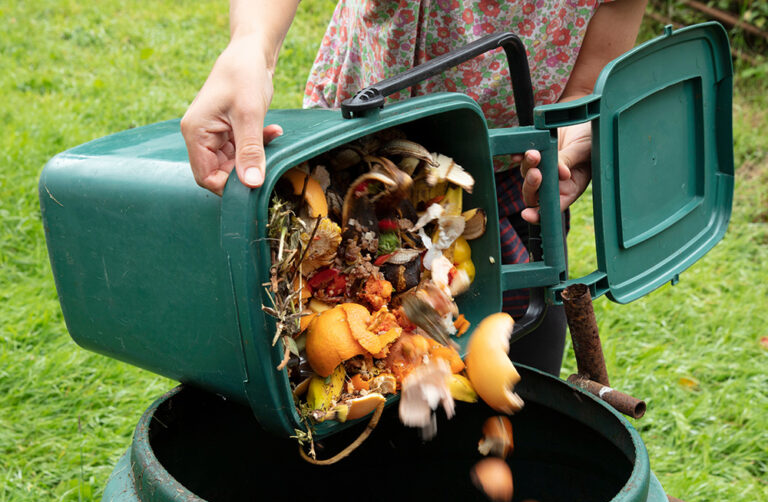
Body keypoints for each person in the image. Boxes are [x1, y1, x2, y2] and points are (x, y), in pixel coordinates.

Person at [181, 0, 647, 375]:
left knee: (520, 372)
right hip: (349, 161)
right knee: (315, 356)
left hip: (507, 183)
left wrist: (573, 131)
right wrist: (251, 45)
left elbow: (593, 69)